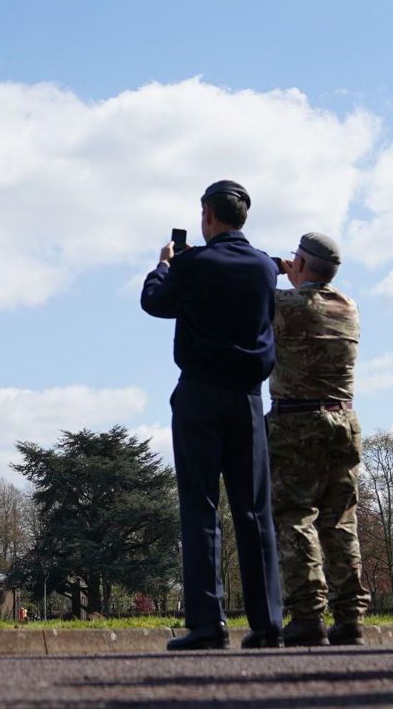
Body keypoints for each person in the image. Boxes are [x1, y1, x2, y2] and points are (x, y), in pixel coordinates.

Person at [141, 179, 286, 650]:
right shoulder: (265, 267)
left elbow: (154, 304)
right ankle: (267, 625)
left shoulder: (194, 264)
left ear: (207, 215)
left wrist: (163, 266)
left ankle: (208, 623)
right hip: (248, 398)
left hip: (201, 393)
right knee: (254, 511)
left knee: (201, 507)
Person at [266, 231, 369, 647]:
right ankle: (351, 618)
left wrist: (272, 267)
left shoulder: (287, 305)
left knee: (295, 515)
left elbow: (258, 294)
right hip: (344, 419)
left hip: (297, 420)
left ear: (303, 264)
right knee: (340, 519)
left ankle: (308, 615)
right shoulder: (348, 307)